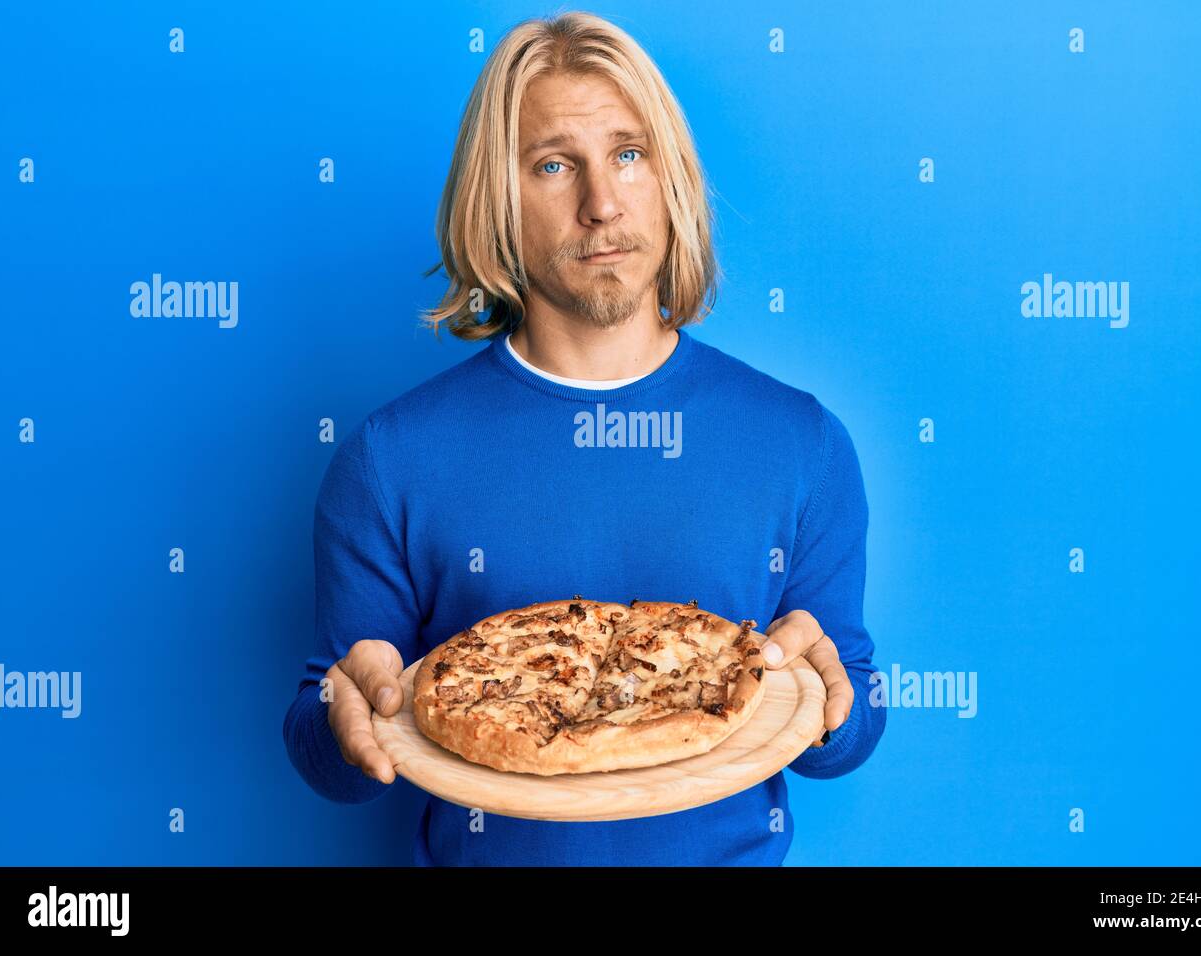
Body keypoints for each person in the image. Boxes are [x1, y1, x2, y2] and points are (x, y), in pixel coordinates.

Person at [282, 10, 886, 866]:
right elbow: (326, 741)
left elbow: (854, 722)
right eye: (554, 164)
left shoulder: (802, 443)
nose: (602, 204)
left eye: (629, 155)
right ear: (498, 200)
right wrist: (341, 716)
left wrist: (838, 703)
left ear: (669, 179)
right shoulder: (387, 462)